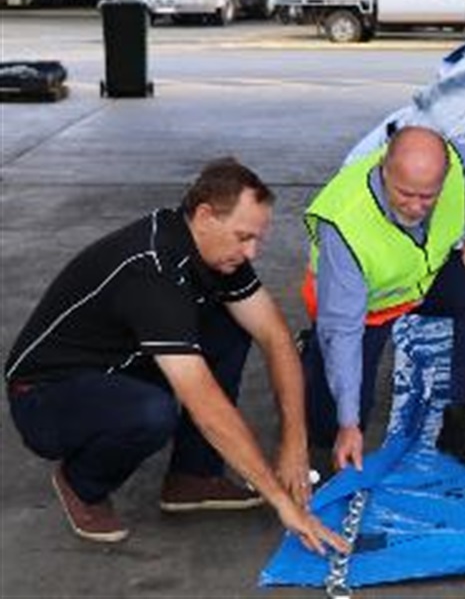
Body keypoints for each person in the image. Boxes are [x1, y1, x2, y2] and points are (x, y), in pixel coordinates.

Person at [4, 158, 347, 555]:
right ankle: (81, 483)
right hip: (46, 395)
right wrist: (283, 502)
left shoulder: (218, 251)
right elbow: (205, 404)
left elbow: (274, 335)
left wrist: (295, 442)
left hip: (122, 363)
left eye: (257, 239)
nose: (251, 251)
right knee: (151, 412)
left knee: (231, 326)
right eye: (243, 237)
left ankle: (192, 476)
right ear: (205, 216)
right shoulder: (152, 271)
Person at [301, 125, 465, 473]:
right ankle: (312, 354)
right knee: (330, 425)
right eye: (404, 194)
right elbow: (343, 328)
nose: (415, 207)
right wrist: (349, 424)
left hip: (421, 278)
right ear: (384, 169)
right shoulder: (345, 224)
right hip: (363, 306)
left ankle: (463, 419)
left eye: (427, 196)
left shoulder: (459, 164)